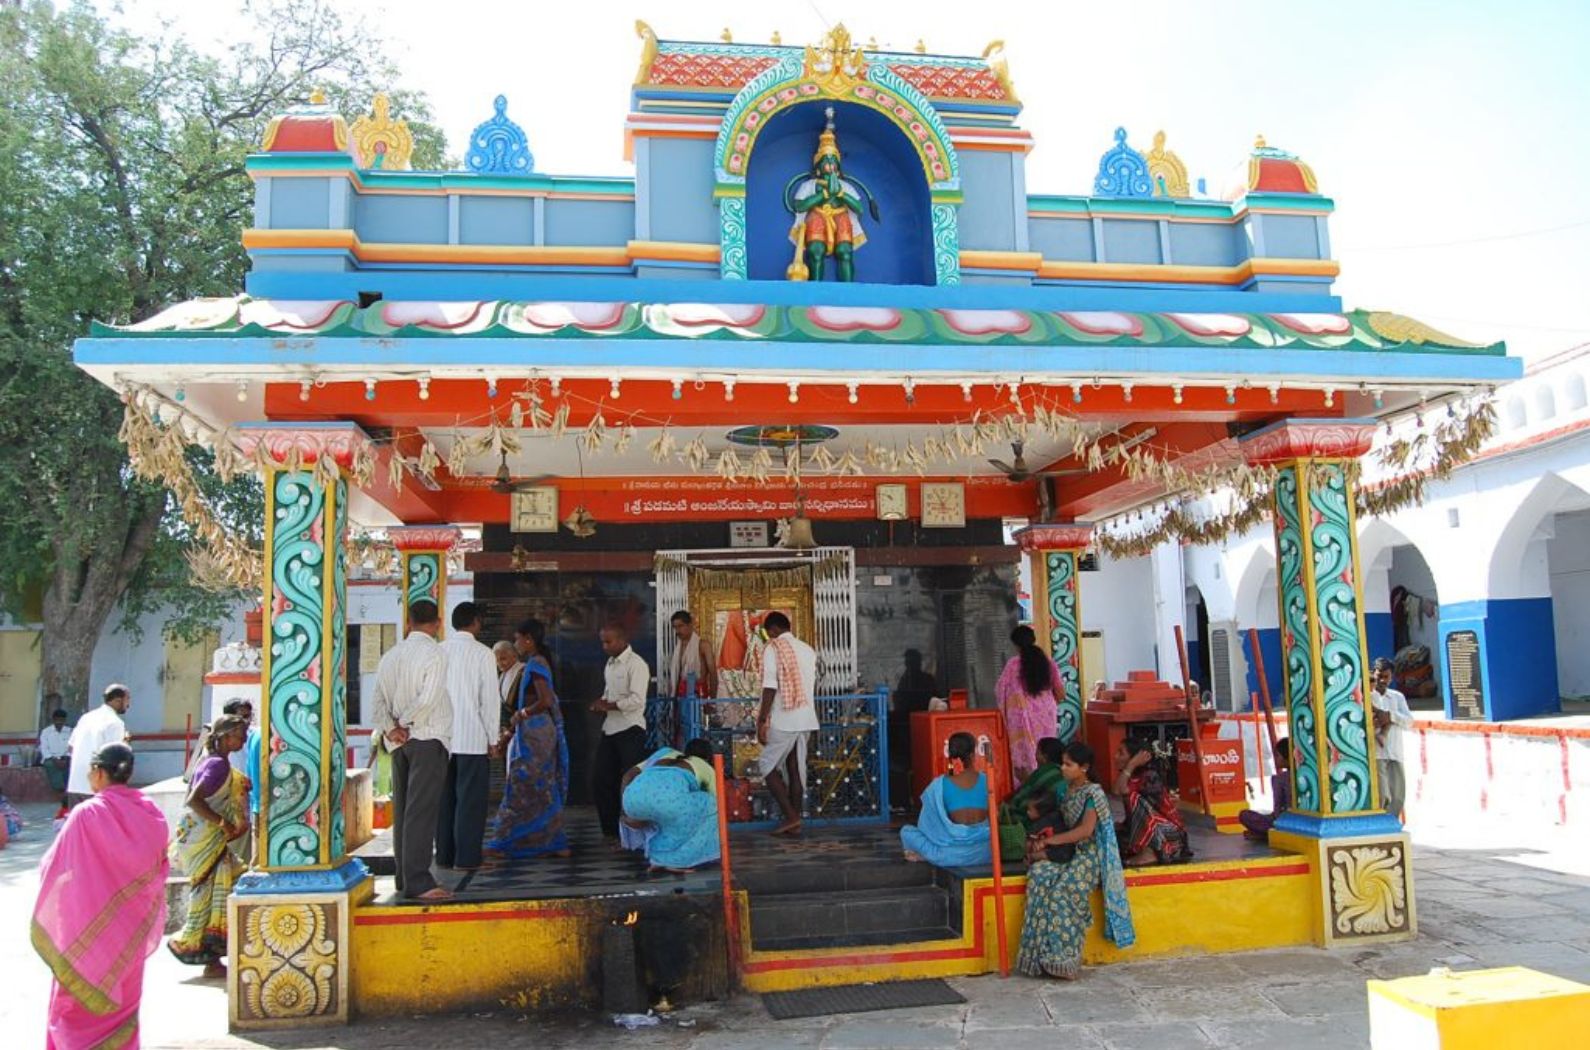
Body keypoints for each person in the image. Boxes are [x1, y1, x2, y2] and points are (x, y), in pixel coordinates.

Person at [32, 742, 168, 1049]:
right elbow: (158, 867)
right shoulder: (151, 814)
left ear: (97, 772)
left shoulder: (86, 814)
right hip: (130, 933)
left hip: (85, 928)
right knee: (122, 1004)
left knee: (75, 1004)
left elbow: (52, 868)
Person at [1016, 741, 1135, 980]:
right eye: (1062, 763)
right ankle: (1037, 955)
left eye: (1069, 764)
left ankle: (1066, 959)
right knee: (1039, 876)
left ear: (1084, 768)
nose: (1062, 768)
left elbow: (1085, 832)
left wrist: (1050, 843)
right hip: (1068, 851)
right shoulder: (1064, 790)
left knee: (1062, 893)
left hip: (1090, 855)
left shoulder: (1093, 793)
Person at [371, 599, 454, 901]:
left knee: (405, 809)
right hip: (427, 737)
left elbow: (377, 702)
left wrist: (391, 728)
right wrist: (405, 723)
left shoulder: (389, 657)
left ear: (408, 622)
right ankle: (418, 881)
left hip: (399, 742)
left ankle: (404, 877)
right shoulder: (435, 654)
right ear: (437, 622)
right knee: (420, 811)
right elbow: (428, 698)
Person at [167, 713, 250, 977]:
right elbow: (194, 799)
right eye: (239, 735)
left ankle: (213, 955)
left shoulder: (213, 762)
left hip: (202, 838)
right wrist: (223, 823)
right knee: (212, 892)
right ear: (225, 737)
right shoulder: (217, 766)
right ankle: (192, 944)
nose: (244, 739)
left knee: (226, 884)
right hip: (206, 837)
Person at [485, 617, 571, 861]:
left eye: (517, 639)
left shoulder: (535, 665)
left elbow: (545, 700)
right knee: (539, 788)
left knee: (521, 787)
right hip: (534, 732)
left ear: (528, 640)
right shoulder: (536, 662)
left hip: (535, 734)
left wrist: (522, 714)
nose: (516, 643)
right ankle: (552, 841)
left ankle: (502, 840)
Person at [437, 601, 501, 872]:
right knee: (470, 801)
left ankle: (444, 855)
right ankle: (467, 858)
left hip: (441, 738)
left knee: (445, 800)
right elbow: (489, 699)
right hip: (472, 738)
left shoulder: (438, 651)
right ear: (475, 622)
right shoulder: (483, 653)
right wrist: (493, 737)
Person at [755, 611, 818, 837]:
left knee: (766, 766)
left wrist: (762, 718)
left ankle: (791, 816)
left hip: (784, 718)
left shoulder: (773, 648)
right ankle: (796, 820)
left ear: (772, 630)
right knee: (794, 766)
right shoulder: (807, 649)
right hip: (807, 718)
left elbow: (770, 686)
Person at [592, 625, 651, 841]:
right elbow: (609, 693)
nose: (604, 646)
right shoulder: (610, 664)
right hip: (610, 729)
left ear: (622, 639)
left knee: (630, 783)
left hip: (631, 729)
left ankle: (634, 833)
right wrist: (601, 704)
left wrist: (609, 706)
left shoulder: (637, 665)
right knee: (602, 780)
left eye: (608, 642)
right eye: (602, 642)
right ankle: (611, 832)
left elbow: (637, 701)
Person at [900, 731, 993, 867]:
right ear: (973, 755)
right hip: (985, 853)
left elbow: (927, 827)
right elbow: (993, 819)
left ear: (950, 756)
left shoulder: (938, 785)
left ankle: (926, 856)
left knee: (906, 832)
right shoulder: (986, 780)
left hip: (949, 856)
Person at [621, 752, 720, 873]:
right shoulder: (702, 764)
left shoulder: (663, 754)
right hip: (666, 803)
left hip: (631, 799)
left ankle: (657, 859)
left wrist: (626, 810)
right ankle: (678, 860)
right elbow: (718, 797)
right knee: (711, 804)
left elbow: (628, 775)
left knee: (667, 816)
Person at [996, 626, 1064, 782]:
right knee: (1047, 750)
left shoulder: (1013, 665)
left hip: (1021, 718)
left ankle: (1027, 788)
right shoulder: (1048, 662)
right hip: (1046, 715)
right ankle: (1050, 781)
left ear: (1016, 644)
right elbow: (1061, 693)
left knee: (1025, 755)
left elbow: (1001, 691)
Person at [1114, 737, 1192, 867]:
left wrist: (1131, 764)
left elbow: (1120, 791)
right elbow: (1116, 789)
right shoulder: (1129, 776)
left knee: (1133, 798)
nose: (1115, 756)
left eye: (1121, 753)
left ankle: (1150, 852)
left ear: (1134, 758)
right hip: (1147, 829)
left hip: (1167, 832)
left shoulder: (1150, 776)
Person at [656, 611, 717, 751]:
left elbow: (713, 674)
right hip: (679, 698)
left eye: (681, 626)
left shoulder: (703, 645)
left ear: (690, 625)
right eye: (675, 627)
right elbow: (675, 678)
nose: (678, 631)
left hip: (697, 697)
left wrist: (711, 701)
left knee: (696, 735)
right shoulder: (679, 647)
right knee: (680, 735)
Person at [1000, 737, 1066, 857]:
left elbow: (1018, 800)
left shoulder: (1046, 771)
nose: (1035, 756)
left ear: (1044, 756)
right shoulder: (1061, 772)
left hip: (1039, 823)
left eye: (1037, 752)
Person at [66, 684, 131, 807]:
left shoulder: (86, 717)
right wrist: (125, 743)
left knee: (78, 824)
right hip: (98, 786)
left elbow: (71, 747)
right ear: (118, 700)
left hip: (75, 784)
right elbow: (114, 756)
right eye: (127, 699)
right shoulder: (115, 723)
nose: (128, 704)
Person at [1371, 658, 1413, 821]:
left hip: (1395, 751)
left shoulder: (1397, 697)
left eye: (1386, 677)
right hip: (1376, 752)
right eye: (1379, 676)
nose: (1382, 680)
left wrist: (1391, 716)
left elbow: (1409, 721)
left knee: (1398, 796)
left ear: (1392, 677)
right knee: (1382, 795)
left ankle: (1392, 825)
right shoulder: (1368, 696)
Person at [1239, 736, 1292, 842]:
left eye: (1278, 755)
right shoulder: (1304, 776)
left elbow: (1277, 809)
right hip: (1297, 822)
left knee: (1244, 815)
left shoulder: (1279, 779)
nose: (1275, 759)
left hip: (1282, 823)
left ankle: (1267, 834)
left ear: (1287, 757)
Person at [35, 705, 71, 798]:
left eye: (62, 720)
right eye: (57, 720)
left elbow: (72, 746)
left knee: (70, 765)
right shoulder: (46, 732)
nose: (59, 722)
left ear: (65, 720)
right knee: (51, 765)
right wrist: (54, 759)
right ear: (54, 720)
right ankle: (60, 788)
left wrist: (66, 757)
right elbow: (44, 748)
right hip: (50, 758)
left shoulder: (70, 731)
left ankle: (70, 789)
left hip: (65, 757)